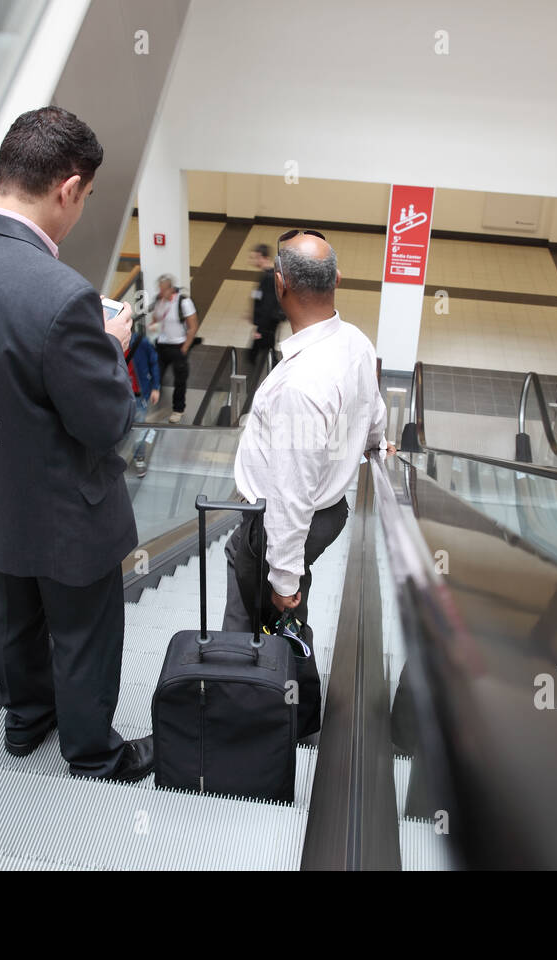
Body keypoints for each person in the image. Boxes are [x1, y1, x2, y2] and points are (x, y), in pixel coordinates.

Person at [0, 106, 153, 783]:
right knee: (83, 631)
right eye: (86, 198)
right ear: (68, 188)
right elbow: (107, 423)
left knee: (12, 607)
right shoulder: (62, 297)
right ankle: (94, 756)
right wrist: (107, 346)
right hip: (67, 504)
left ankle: (24, 721)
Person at [222, 229, 396, 728]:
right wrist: (376, 444)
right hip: (328, 510)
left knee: (255, 616)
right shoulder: (356, 342)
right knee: (285, 620)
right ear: (336, 280)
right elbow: (373, 409)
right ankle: (302, 713)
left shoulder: (302, 384)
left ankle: (242, 720)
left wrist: (283, 578)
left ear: (280, 285)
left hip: (281, 521)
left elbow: (291, 494)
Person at [148, 274, 198, 422]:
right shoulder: (158, 300)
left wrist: (185, 347)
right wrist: (154, 328)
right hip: (162, 346)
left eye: (163, 289)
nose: (161, 292)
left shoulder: (184, 302)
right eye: (159, 289)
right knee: (156, 375)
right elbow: (156, 319)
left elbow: (193, 325)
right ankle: (155, 405)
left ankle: (178, 409)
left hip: (178, 347)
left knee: (180, 380)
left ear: (171, 289)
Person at [124, 318, 160, 476]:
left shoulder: (140, 342)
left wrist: (155, 387)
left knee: (138, 427)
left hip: (138, 395)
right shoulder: (109, 344)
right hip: (120, 396)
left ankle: (139, 457)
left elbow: (153, 362)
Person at [248, 243, 284, 373]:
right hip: (267, 322)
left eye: (255, 257)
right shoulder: (268, 274)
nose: (252, 261)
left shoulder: (269, 277)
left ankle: (274, 370)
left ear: (263, 257)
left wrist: (259, 328)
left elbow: (267, 305)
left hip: (267, 323)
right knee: (264, 347)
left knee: (267, 348)